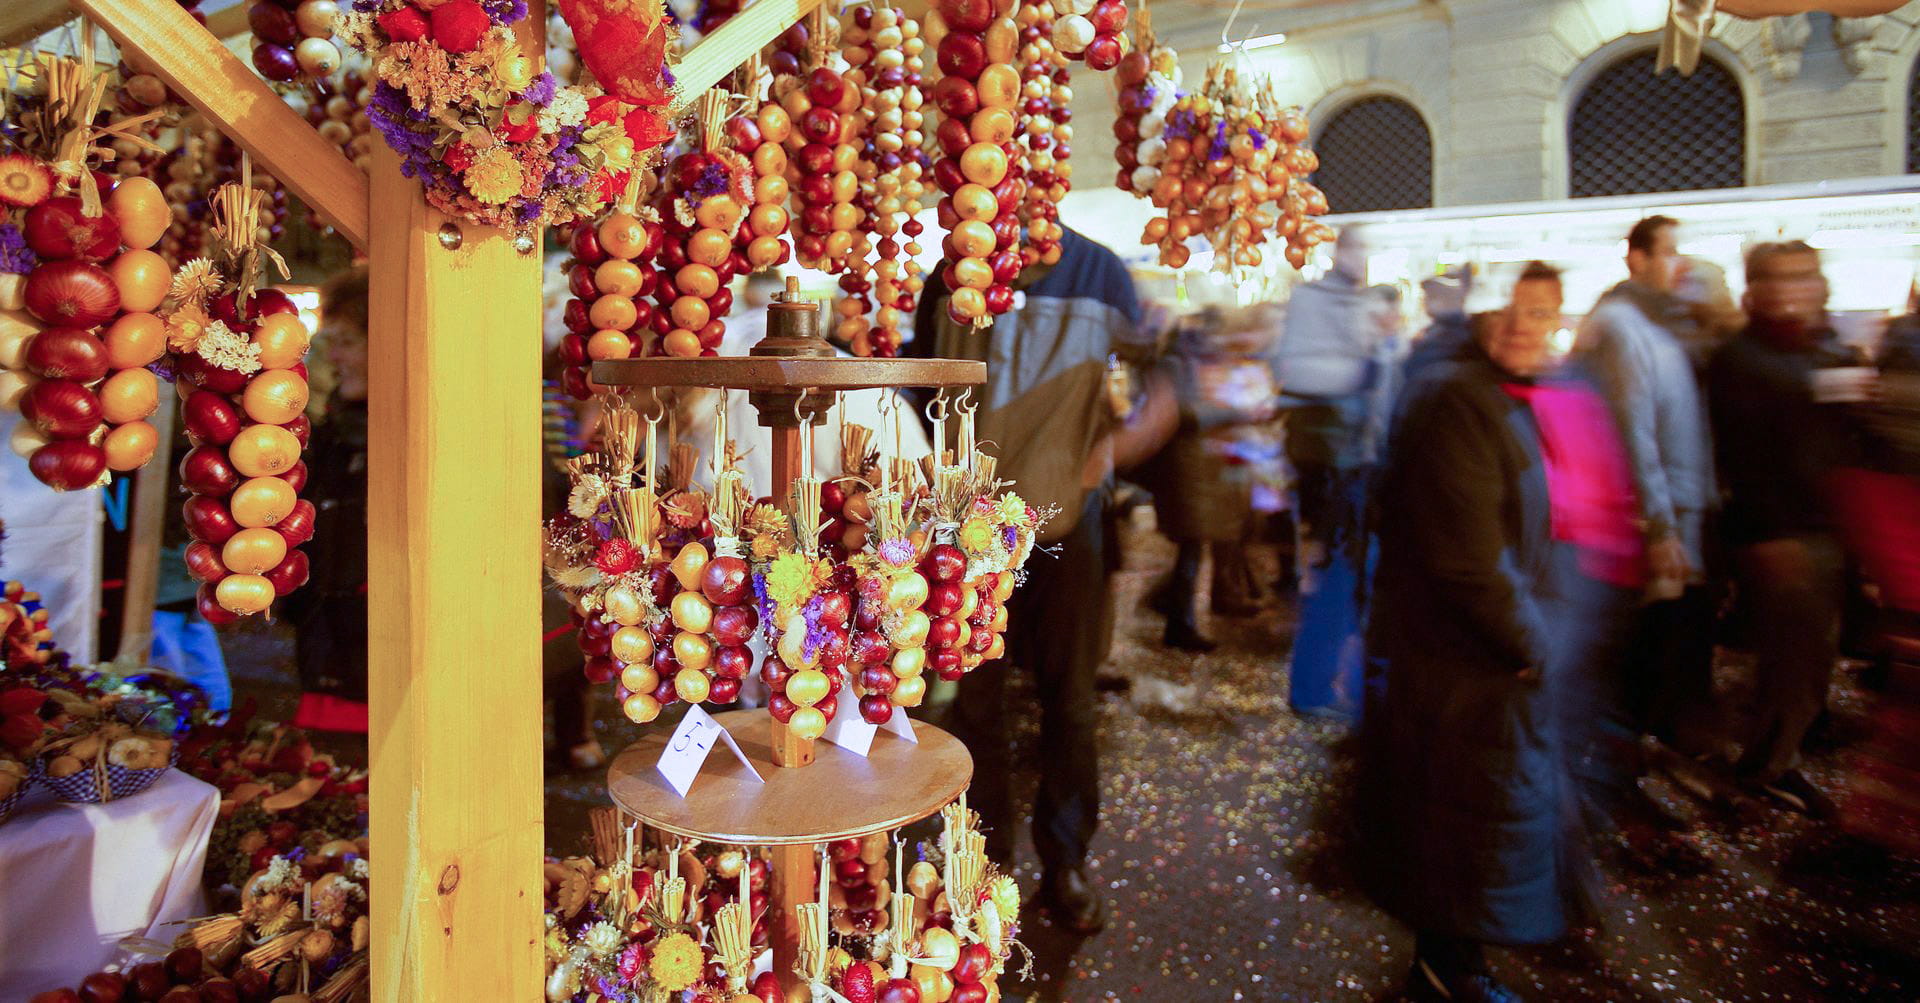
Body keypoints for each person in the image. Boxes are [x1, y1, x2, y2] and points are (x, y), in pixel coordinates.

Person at [914, 225, 1155, 935]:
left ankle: (1065, 860)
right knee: (973, 706)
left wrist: (1110, 450)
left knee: (1069, 702)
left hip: (1064, 527)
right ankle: (985, 865)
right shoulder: (951, 270)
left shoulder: (1099, 272)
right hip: (966, 533)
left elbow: (1158, 376)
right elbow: (917, 392)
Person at [1358, 263, 1581, 1003]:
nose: (1522, 325)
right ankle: (1445, 970)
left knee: (1467, 821)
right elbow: (1469, 558)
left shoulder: (1507, 391)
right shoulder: (1458, 395)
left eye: (1540, 311)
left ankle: (1452, 963)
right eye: (1508, 309)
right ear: (1480, 315)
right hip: (1461, 656)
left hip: (1479, 651)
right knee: (1458, 824)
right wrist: (1534, 645)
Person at [1707, 241, 1862, 816]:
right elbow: (1744, 458)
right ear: (1754, 290)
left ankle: (1792, 738)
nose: (1792, 288)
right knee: (1791, 658)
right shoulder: (1740, 360)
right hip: (1783, 536)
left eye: (1802, 276)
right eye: (1777, 278)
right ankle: (1768, 766)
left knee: (1814, 649)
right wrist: (1768, 536)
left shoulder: (1818, 351)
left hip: (1823, 527)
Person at [1577, 216, 1719, 761]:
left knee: (1663, 646)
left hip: (1677, 509)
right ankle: (1615, 762)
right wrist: (1658, 525)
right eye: (1670, 251)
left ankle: (1635, 753)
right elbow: (1631, 428)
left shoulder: (1657, 322)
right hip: (1653, 519)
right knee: (1639, 648)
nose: (1680, 263)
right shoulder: (1621, 324)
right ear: (1638, 258)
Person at [1143, 306, 1274, 652]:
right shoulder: (1176, 363)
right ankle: (1179, 622)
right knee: (1192, 544)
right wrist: (1237, 413)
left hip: (1205, 466)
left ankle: (1173, 607)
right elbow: (1186, 413)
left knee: (1197, 544)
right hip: (1187, 467)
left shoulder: (1199, 360)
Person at [285, 270, 372, 732]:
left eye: (347, 342)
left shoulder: (411, 437)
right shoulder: (340, 426)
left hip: (383, 662)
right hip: (336, 647)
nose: (334, 356)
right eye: (331, 342)